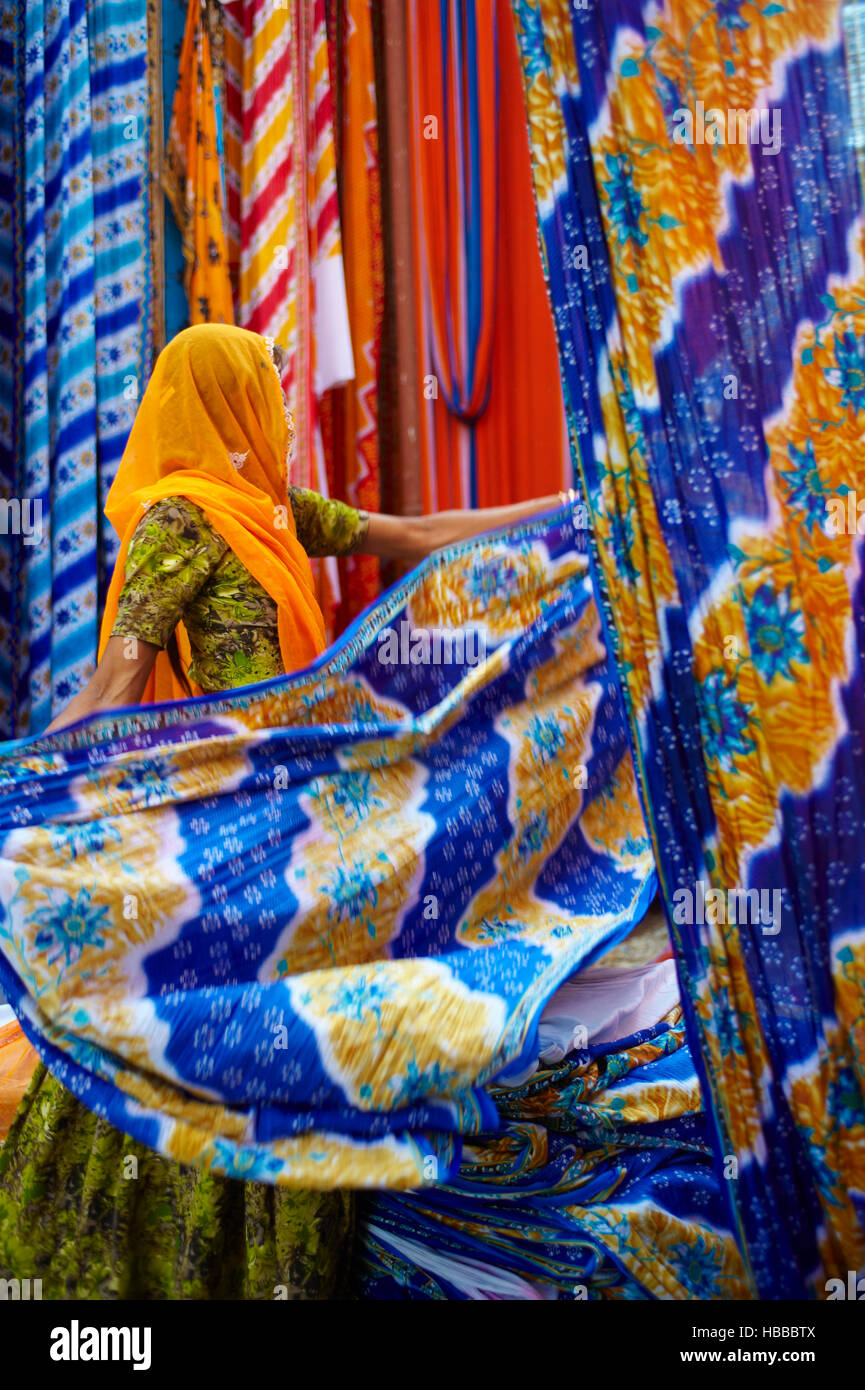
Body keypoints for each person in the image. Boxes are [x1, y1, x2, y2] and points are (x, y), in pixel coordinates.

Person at [0, 322, 565, 1299]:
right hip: (220, 809)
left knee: (262, 1010)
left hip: (291, 805)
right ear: (227, 403)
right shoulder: (181, 517)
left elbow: (417, 536)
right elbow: (118, 678)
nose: (276, 411)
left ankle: (272, 1239)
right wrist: (32, 774)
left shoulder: (267, 509)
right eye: (263, 388)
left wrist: (563, 510)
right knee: (218, 1008)